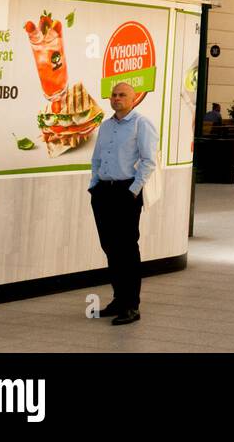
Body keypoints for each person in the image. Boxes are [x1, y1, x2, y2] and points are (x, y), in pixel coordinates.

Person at [88, 81, 157, 325]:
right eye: (114, 95)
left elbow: (149, 161)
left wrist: (133, 191)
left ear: (133, 98)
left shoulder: (141, 124)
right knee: (110, 248)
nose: (117, 98)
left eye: (122, 95)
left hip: (125, 193)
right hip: (103, 193)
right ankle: (118, 299)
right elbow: (96, 159)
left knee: (127, 250)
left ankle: (131, 306)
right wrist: (93, 185)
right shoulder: (105, 126)